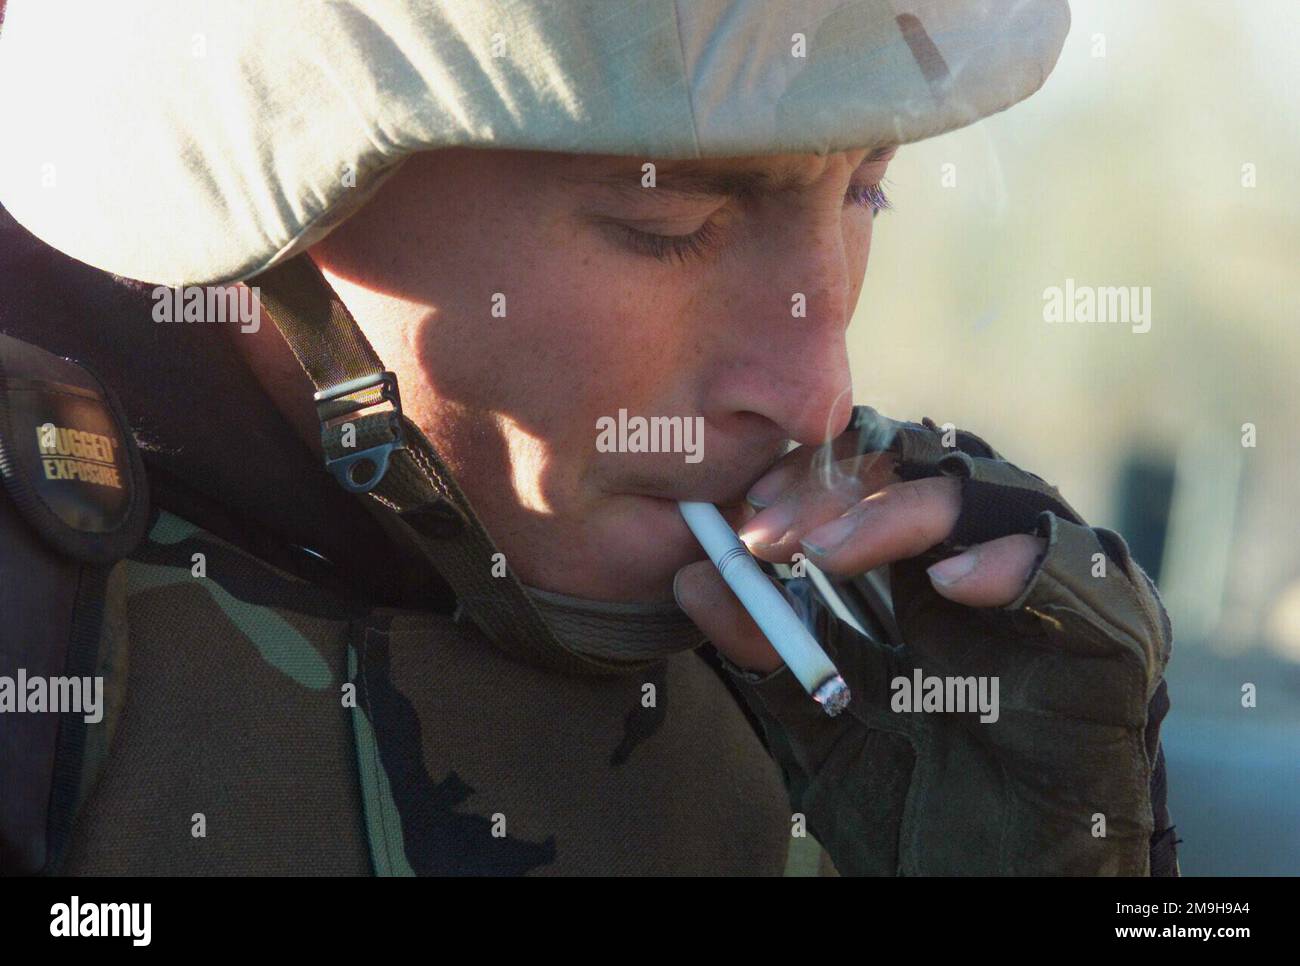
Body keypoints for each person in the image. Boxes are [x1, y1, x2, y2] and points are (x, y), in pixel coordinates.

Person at [0, 0, 1177, 875]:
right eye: (665, 223)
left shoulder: (853, 668)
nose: (818, 399)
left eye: (865, 191)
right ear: (261, 197)